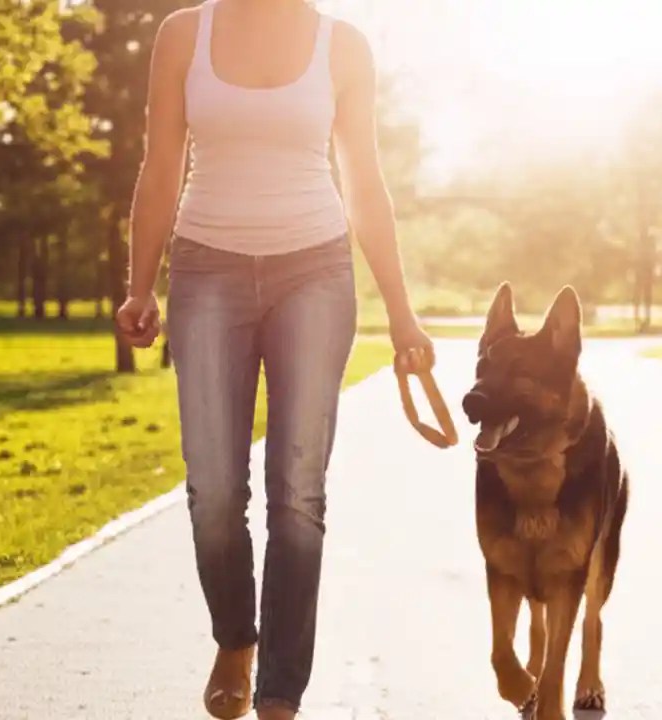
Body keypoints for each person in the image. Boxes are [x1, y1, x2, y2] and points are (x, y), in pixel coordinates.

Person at [115, 0, 433, 717]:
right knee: (216, 493)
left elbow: (365, 181)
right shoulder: (183, 35)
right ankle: (236, 636)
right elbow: (160, 163)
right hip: (206, 268)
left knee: (298, 493)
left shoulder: (342, 44)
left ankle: (281, 691)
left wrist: (403, 312)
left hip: (315, 271)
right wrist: (140, 286)